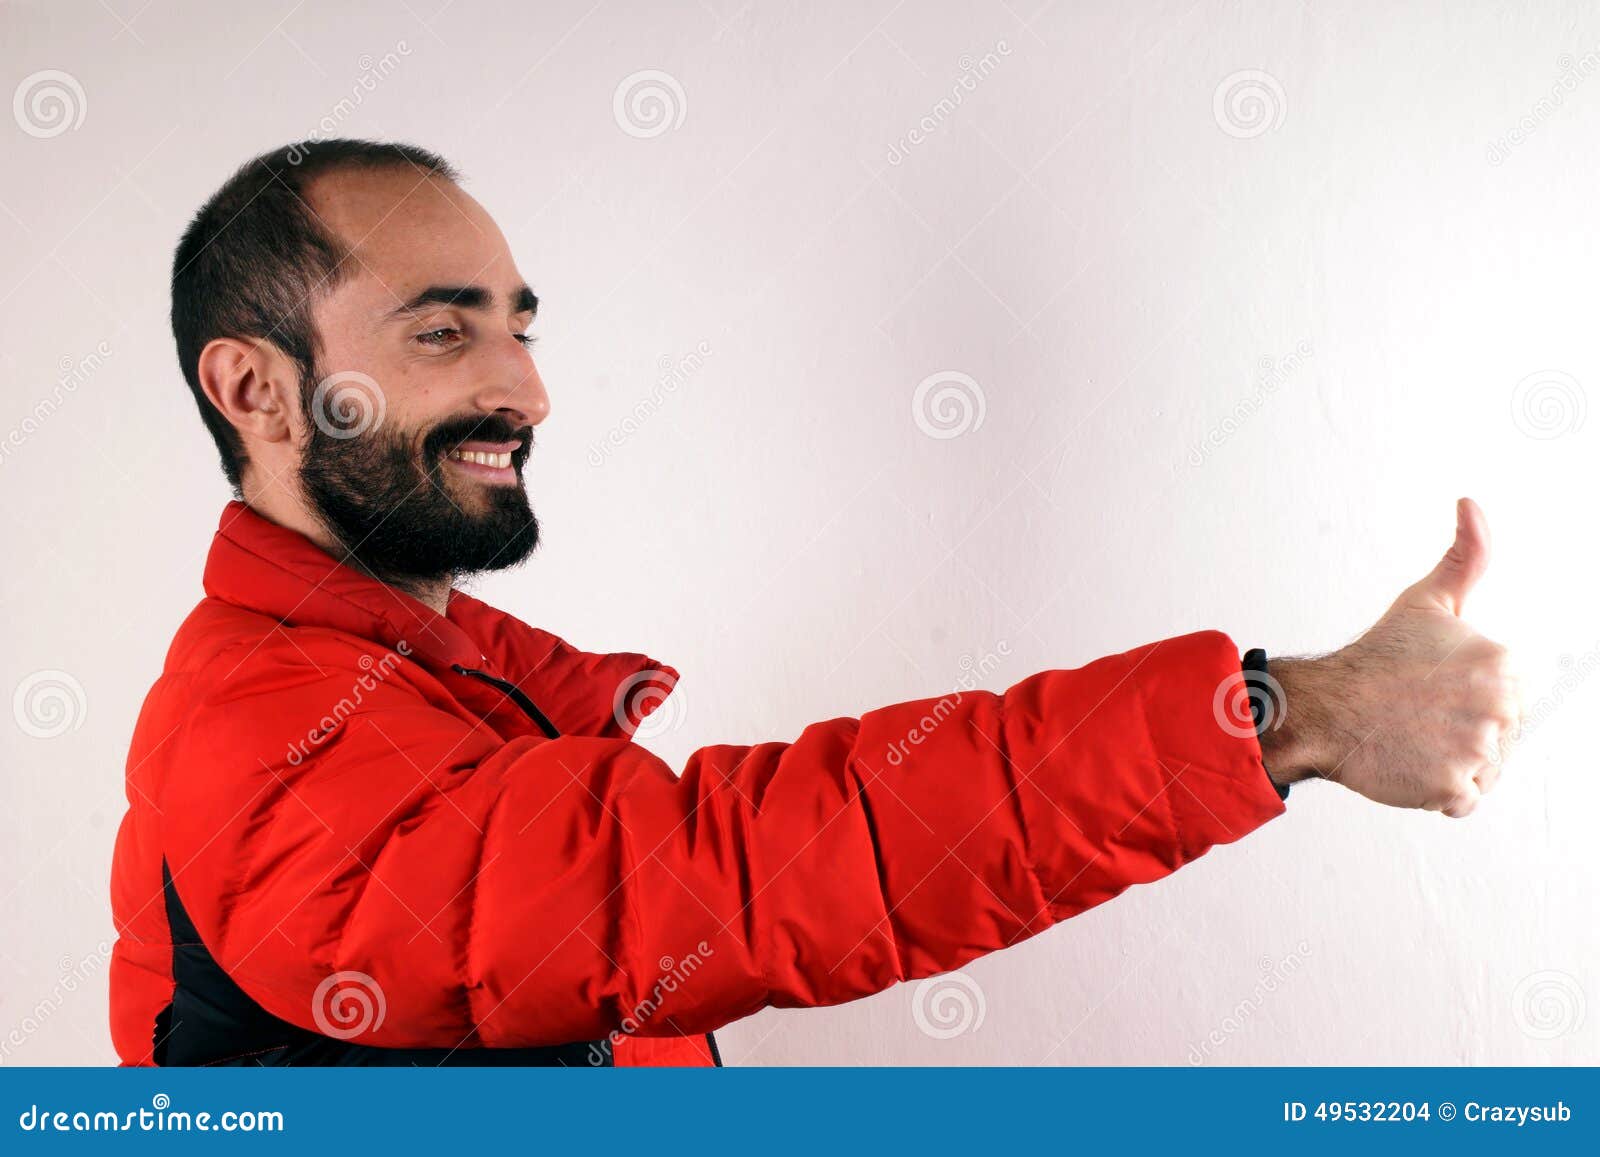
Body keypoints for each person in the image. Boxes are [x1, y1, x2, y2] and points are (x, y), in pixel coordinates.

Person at [109, 139, 1523, 1067]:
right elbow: (734, 870)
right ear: (254, 387)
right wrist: (1280, 717)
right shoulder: (261, 719)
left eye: (518, 323)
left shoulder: (436, 685)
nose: (525, 389)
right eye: (442, 329)